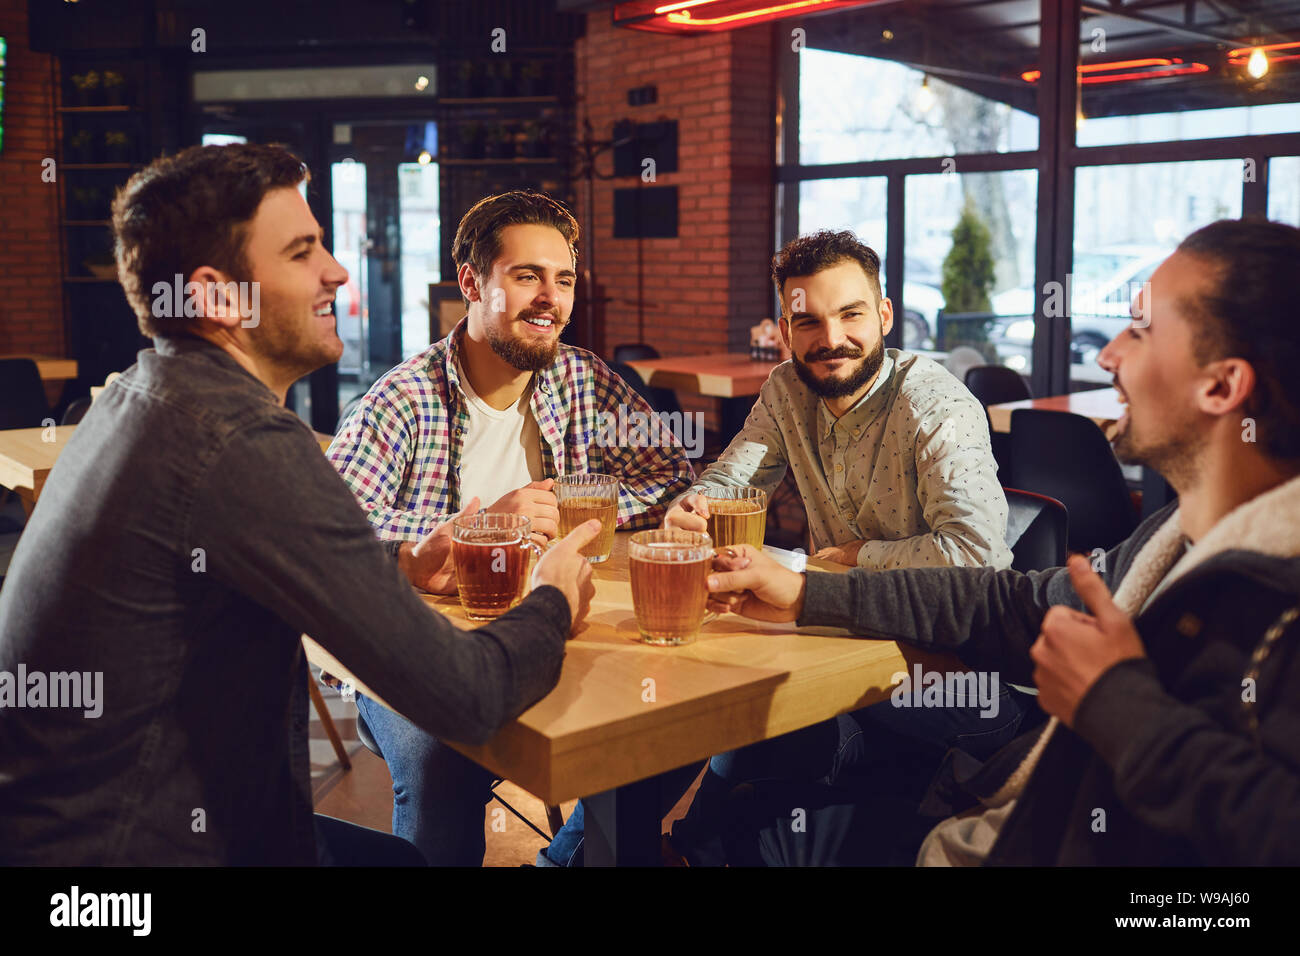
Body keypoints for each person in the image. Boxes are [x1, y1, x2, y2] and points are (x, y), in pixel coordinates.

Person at [0, 144, 597, 866]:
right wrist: (554, 598)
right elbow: (467, 698)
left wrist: (402, 558)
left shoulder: (147, 392)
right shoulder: (241, 439)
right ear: (221, 297)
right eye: (302, 251)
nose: (338, 270)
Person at [702, 219, 1300, 865]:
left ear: (1222, 385)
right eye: (808, 322)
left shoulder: (1273, 597)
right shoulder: (1171, 536)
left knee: (762, 807)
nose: (1108, 354)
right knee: (747, 803)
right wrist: (802, 592)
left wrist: (1116, 703)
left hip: (1031, 821)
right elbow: (1006, 603)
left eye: (1141, 329)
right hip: (1016, 809)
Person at [326, 190, 694, 865]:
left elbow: (674, 481)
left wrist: (582, 513)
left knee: (677, 725)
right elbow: (328, 541)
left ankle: (564, 861)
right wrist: (468, 532)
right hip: (417, 647)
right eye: (526, 276)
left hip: (562, 631)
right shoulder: (401, 400)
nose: (549, 298)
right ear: (472, 282)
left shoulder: (586, 380)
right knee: (442, 761)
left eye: (564, 279)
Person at [658, 229, 1031, 865]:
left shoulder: (935, 403)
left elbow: (975, 560)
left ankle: (691, 847)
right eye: (808, 321)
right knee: (722, 725)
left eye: (851, 314)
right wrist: (690, 509)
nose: (831, 339)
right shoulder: (786, 390)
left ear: (884, 314)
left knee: (744, 726)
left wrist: (856, 558)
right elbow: (730, 482)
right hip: (845, 644)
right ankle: (685, 850)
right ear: (785, 328)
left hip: (966, 677)